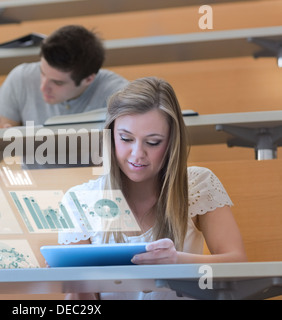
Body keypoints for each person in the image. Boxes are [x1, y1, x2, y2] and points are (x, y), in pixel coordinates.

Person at [58, 77, 247, 300]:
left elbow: (237, 264)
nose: (137, 154)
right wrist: (76, 283)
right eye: (126, 139)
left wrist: (178, 260)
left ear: (171, 142)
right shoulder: (79, 199)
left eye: (153, 142)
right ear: (111, 136)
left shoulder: (198, 183)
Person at [0, 25, 128, 129]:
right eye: (42, 73)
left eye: (57, 82)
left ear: (88, 79)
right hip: (35, 175)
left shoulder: (119, 96)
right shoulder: (20, 78)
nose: (43, 87)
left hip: (96, 175)